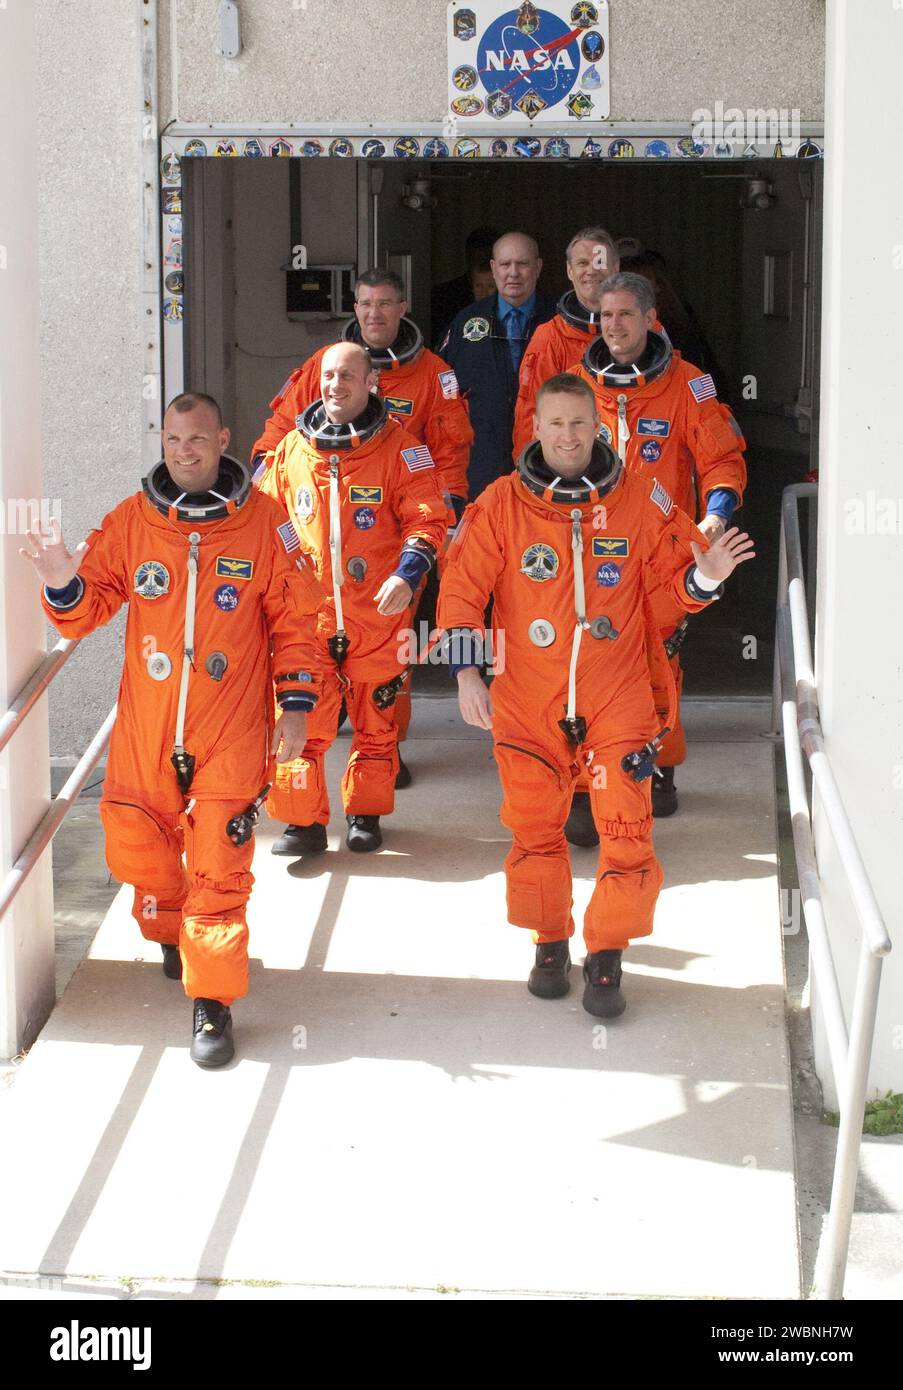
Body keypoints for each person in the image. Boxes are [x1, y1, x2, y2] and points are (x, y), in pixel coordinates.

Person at [21, 393, 324, 1068]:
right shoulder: (133, 522)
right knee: (133, 841)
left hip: (231, 725)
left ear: (222, 439)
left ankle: (212, 1004)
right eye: (171, 440)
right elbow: (83, 612)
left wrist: (296, 707)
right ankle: (169, 928)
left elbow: (298, 625)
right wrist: (60, 578)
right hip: (148, 728)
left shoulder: (265, 526)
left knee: (220, 868)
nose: (183, 452)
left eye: (195, 439)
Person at [437, 375, 754, 1015]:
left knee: (627, 831)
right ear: (536, 428)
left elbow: (666, 599)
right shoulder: (501, 504)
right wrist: (468, 674)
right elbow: (462, 590)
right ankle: (549, 939)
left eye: (579, 423)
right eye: (555, 424)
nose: (568, 436)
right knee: (534, 832)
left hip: (617, 693)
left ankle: (606, 952)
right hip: (529, 698)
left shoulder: (639, 497)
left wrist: (705, 577)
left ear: (598, 428)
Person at [250, 269, 474, 786]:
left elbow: (449, 451)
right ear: (355, 308)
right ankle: (304, 805)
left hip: (390, 537)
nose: (374, 313)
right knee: (309, 656)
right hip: (321, 533)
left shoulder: (433, 375)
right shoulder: (322, 367)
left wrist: (440, 522)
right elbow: (279, 436)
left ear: (403, 307)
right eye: (365, 303)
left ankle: (383, 755)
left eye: (385, 303)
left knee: (386, 660)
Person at [567, 271, 747, 832]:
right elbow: (541, 460)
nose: (613, 325)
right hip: (589, 555)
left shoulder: (689, 385)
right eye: (605, 315)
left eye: (625, 315)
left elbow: (722, 460)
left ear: (650, 319)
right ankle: (581, 781)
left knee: (657, 664)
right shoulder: (574, 385)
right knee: (584, 665)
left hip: (661, 556)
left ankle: (658, 763)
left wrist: (716, 513)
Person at [258, 342, 447, 856]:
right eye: (328, 375)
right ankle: (302, 823)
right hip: (309, 617)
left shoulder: (403, 450)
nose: (335, 384)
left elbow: (429, 517)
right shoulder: (292, 452)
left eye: (347, 375)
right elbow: (261, 525)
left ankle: (365, 814)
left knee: (376, 723)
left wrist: (409, 574)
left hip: (378, 613)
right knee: (302, 722)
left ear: (371, 383)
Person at [439, 231, 556, 500]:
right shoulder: (466, 323)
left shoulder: (559, 320)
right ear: (493, 269)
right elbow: (441, 392)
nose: (513, 273)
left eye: (522, 264)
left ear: (538, 268)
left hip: (547, 460)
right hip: (480, 463)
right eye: (505, 265)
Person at [512, 226, 619, 457]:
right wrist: (533, 475)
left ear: (616, 269)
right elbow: (530, 414)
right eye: (582, 263)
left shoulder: (646, 330)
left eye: (599, 262)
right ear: (569, 271)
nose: (591, 271)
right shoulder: (550, 338)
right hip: (572, 466)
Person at [431, 224, 500, 343]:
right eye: (478, 286)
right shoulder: (444, 297)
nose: (484, 293)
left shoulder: (512, 314)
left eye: (490, 286)